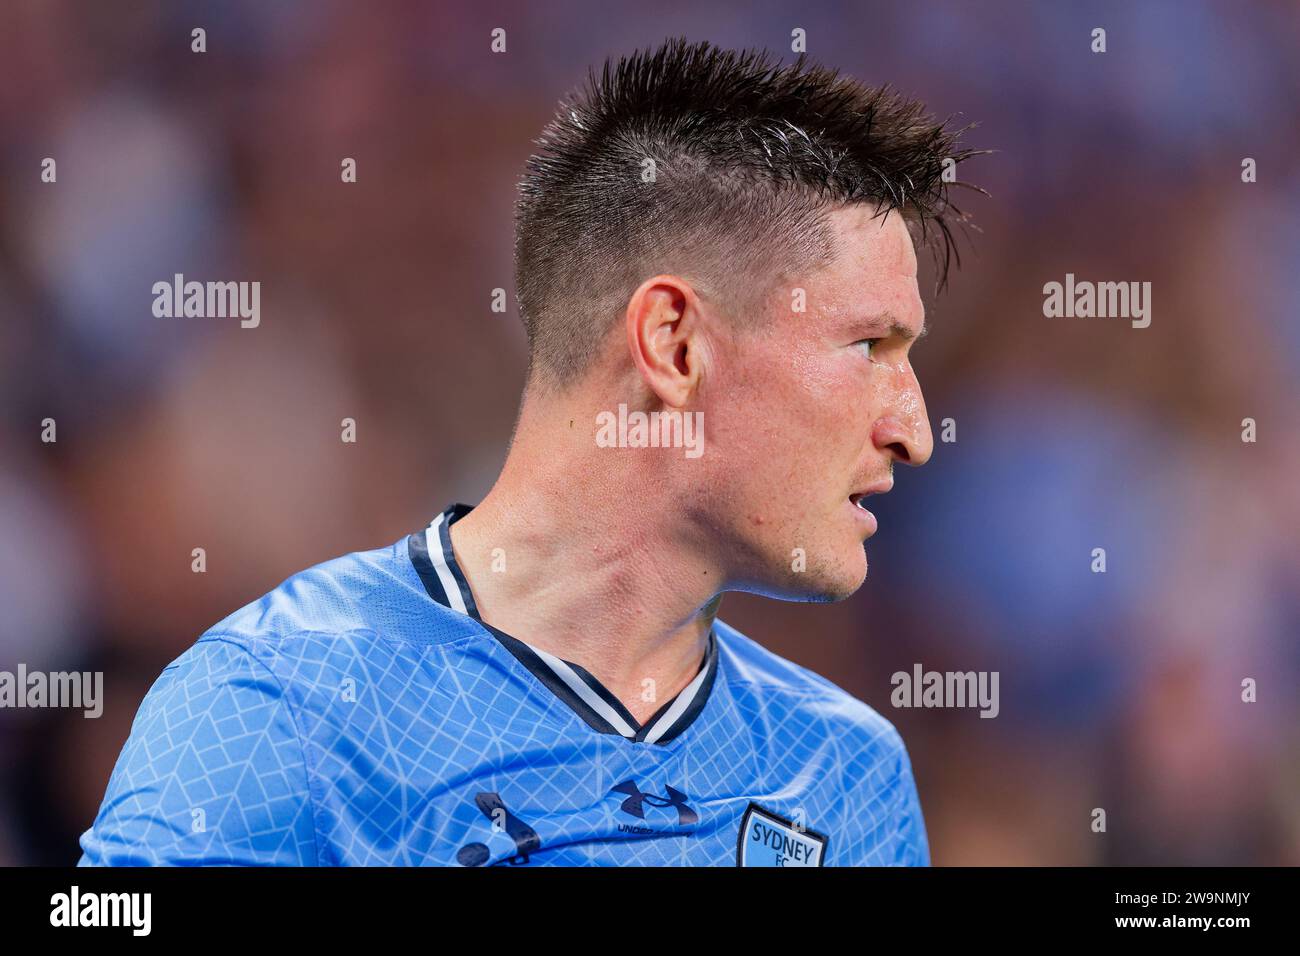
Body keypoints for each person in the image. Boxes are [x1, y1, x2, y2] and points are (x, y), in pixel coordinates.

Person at [79, 38, 978, 866]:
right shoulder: (280, 709)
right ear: (673, 344)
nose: (915, 428)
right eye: (869, 348)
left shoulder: (848, 778)